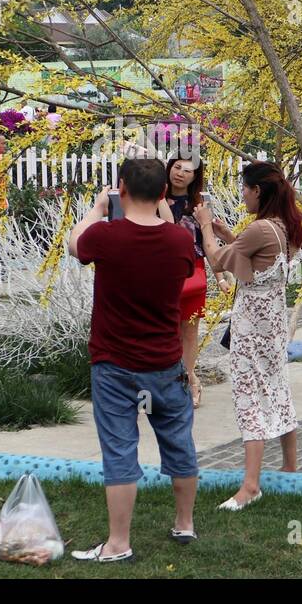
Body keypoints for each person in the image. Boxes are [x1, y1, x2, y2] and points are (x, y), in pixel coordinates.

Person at [66, 158, 199, 562]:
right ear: (164, 193)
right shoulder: (179, 242)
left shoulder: (106, 237)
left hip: (115, 365)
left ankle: (119, 542)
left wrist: (97, 209)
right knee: (179, 443)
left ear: (120, 188)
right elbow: (171, 234)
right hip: (165, 364)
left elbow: (76, 244)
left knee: (120, 450)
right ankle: (184, 523)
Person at [194, 162, 302, 510]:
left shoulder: (259, 228)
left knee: (249, 398)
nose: (242, 193)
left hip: (251, 330)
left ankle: (251, 485)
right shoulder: (282, 227)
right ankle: (289, 468)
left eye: (245, 187)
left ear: (258, 190)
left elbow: (216, 261)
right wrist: (230, 236)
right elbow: (254, 260)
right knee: (277, 388)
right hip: (273, 328)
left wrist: (205, 228)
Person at [163, 157, 208, 407]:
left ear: (195, 177)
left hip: (193, 270)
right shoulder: (154, 199)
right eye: (177, 167)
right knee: (166, 328)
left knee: (189, 328)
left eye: (187, 171)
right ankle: (167, 380)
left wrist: (222, 276)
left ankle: (190, 377)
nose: (180, 173)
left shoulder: (198, 205)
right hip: (163, 270)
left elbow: (207, 241)